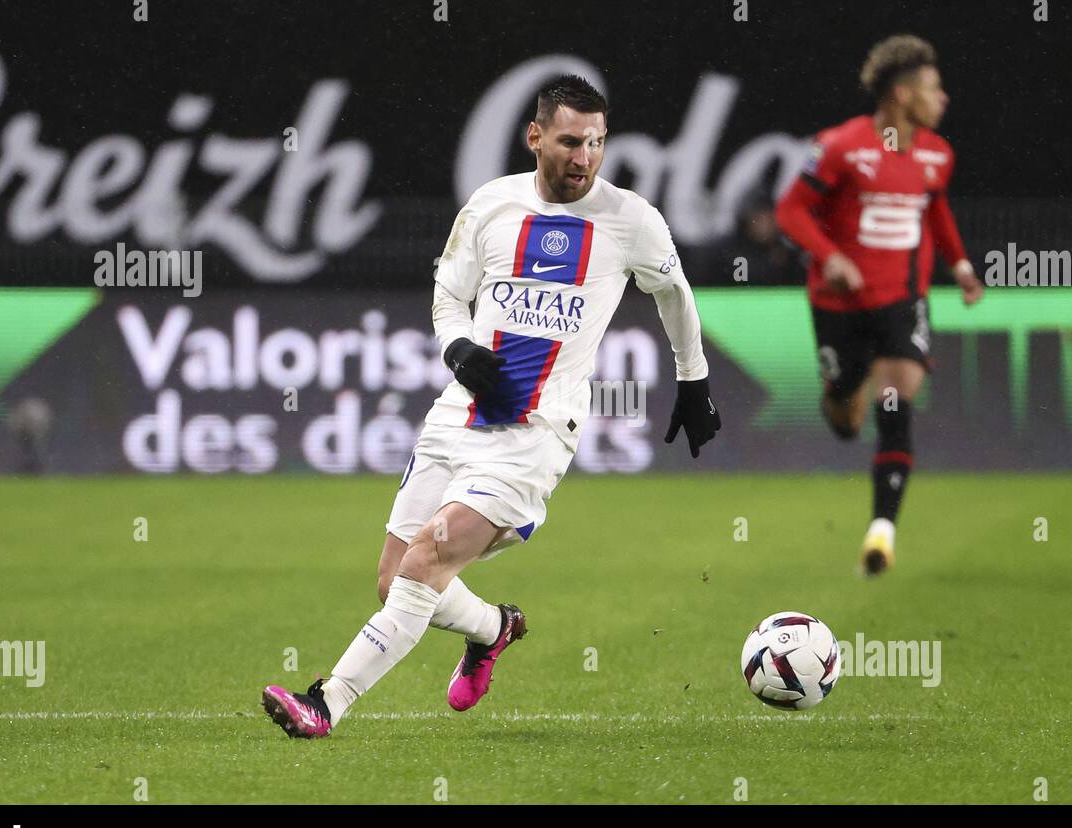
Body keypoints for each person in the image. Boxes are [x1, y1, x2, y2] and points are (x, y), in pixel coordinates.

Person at [263, 75, 721, 738]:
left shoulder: (630, 221)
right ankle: (494, 628)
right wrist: (457, 350)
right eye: (569, 141)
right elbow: (449, 295)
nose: (583, 157)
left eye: (595, 143)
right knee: (396, 582)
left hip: (537, 431)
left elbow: (674, 293)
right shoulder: (490, 205)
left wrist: (693, 380)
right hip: (459, 414)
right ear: (535, 136)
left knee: (427, 558)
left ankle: (326, 701)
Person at [775, 34, 984, 576]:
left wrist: (960, 265)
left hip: (902, 301)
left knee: (894, 405)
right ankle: (845, 389)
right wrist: (830, 256)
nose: (943, 100)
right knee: (846, 416)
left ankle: (881, 532)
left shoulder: (938, 154)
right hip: (839, 304)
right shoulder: (842, 146)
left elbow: (934, 212)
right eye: (933, 89)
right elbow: (791, 211)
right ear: (901, 93)